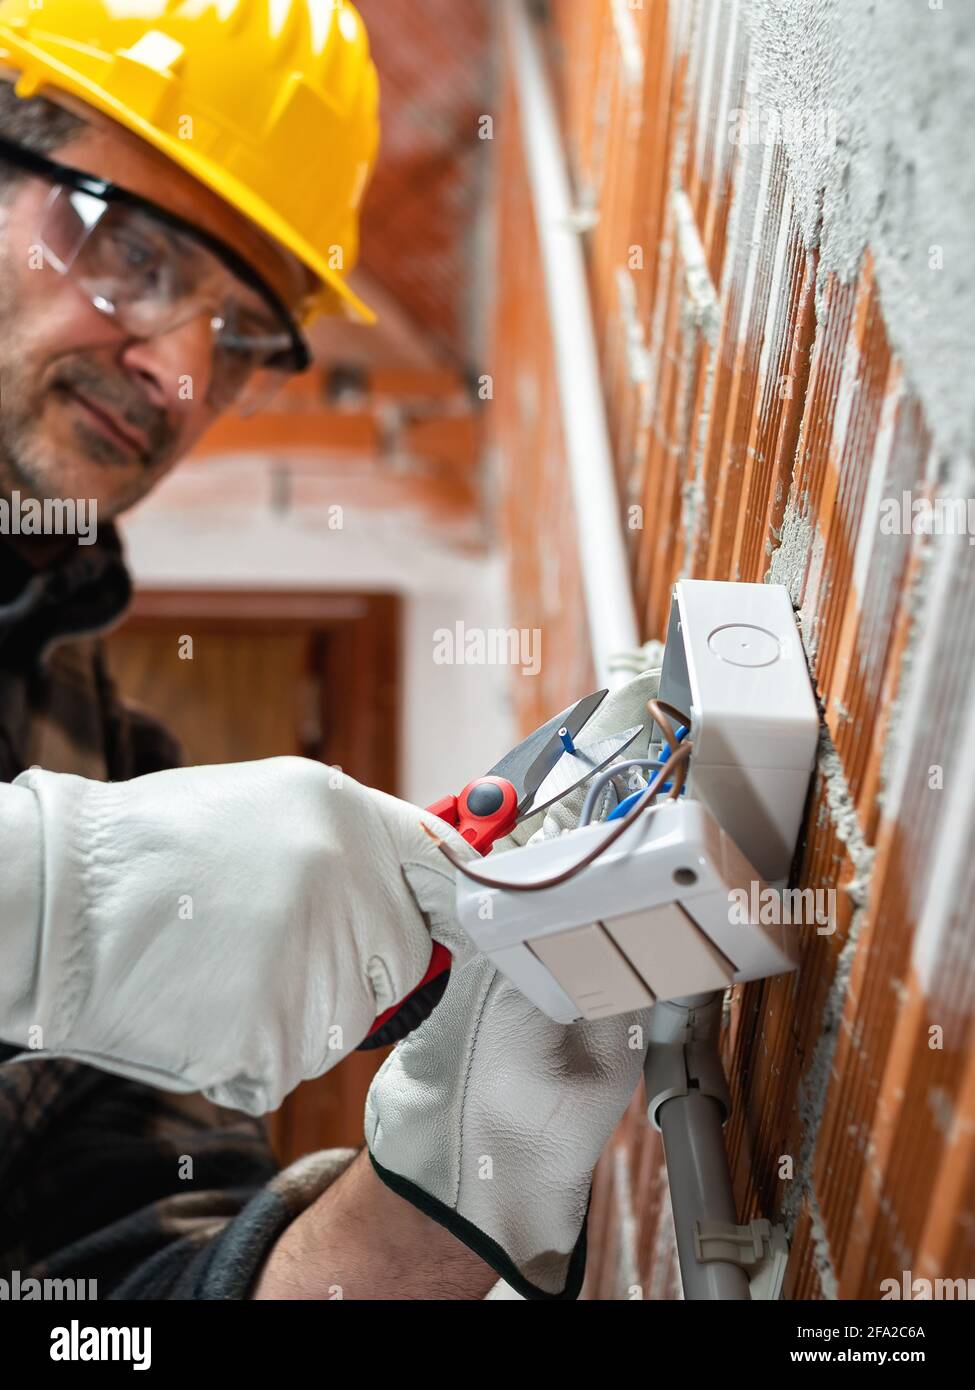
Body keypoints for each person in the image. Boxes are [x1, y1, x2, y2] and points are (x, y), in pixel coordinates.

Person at [0, 0, 656, 1300]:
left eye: (245, 332)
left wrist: (451, 1187)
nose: (184, 372)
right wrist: (50, 907)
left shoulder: (114, 755)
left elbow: (125, 1312)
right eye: (133, 251)